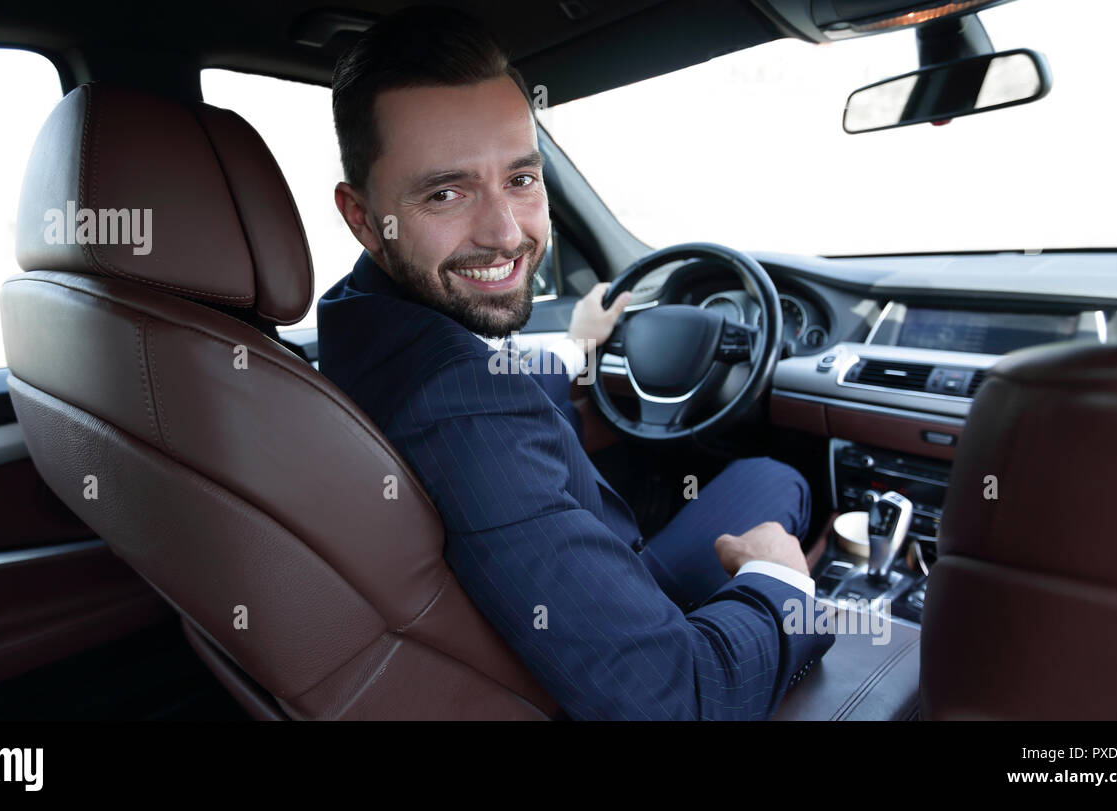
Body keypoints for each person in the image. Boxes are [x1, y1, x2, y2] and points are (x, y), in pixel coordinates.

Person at [315, 5, 833, 720]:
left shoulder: (354, 317)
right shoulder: (461, 409)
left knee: (766, 476)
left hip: (557, 599)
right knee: (782, 489)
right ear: (363, 217)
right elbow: (676, 702)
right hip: (631, 647)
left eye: (521, 179)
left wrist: (580, 348)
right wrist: (782, 586)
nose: (505, 234)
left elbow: (487, 373)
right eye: (446, 191)